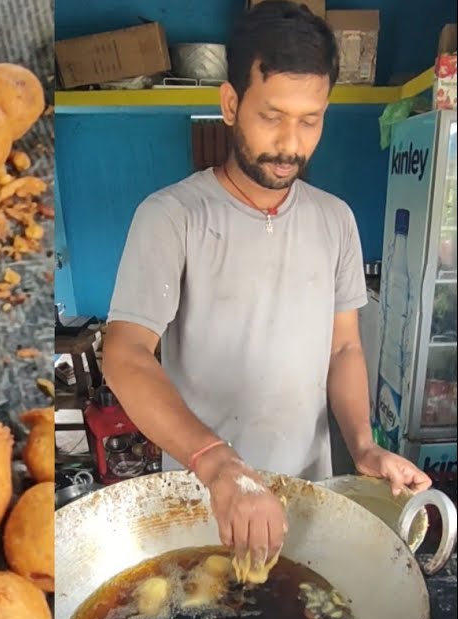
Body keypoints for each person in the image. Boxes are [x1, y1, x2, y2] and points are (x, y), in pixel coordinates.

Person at [101, 1, 431, 565]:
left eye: (310, 119)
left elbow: (345, 346)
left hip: (311, 493)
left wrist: (364, 446)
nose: (290, 143)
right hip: (204, 493)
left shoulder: (336, 219)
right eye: (272, 115)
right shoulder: (171, 216)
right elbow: (125, 354)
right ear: (230, 104)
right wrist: (217, 462)